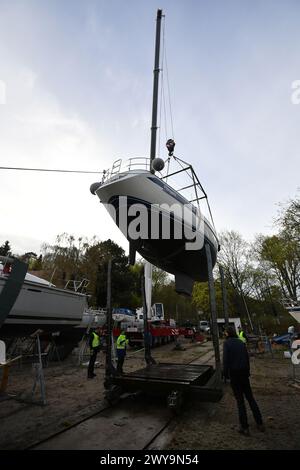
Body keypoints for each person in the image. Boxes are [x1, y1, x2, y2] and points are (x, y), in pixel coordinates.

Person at [223, 326, 265, 436]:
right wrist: (247, 371)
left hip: (234, 375)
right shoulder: (241, 343)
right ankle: (260, 423)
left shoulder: (227, 344)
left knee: (240, 401)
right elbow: (247, 358)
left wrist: (225, 375)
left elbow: (225, 360)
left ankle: (244, 427)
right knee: (250, 398)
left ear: (228, 333)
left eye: (225, 332)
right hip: (244, 374)